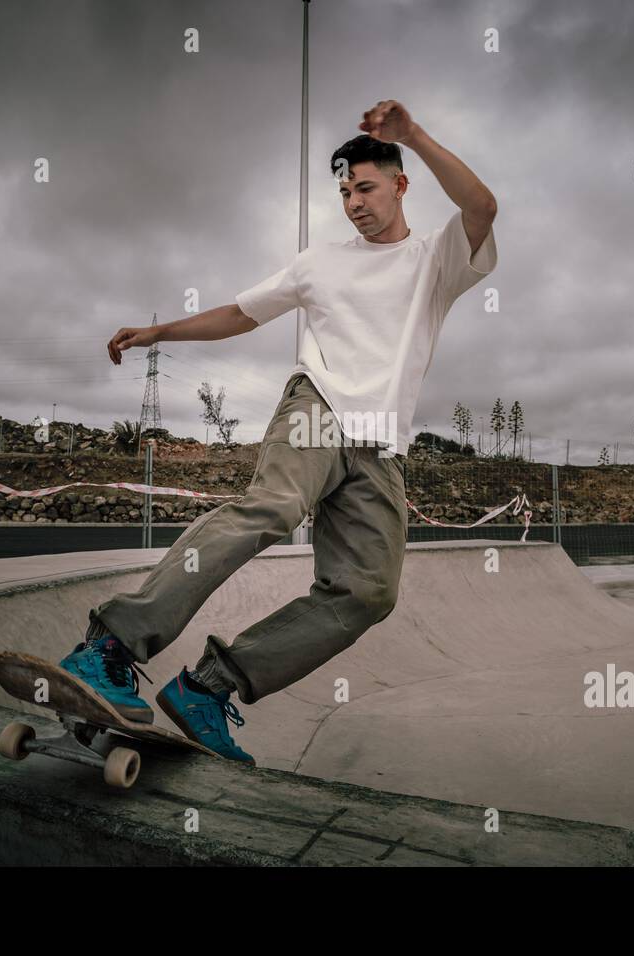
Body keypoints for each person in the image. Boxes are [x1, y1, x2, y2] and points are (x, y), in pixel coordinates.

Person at [61, 100, 498, 764]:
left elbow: (482, 208)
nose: (353, 201)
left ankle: (210, 687)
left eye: (366, 187)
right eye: (346, 191)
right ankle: (112, 644)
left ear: (400, 185)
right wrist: (158, 332)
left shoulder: (436, 259)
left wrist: (412, 135)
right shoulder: (320, 262)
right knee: (273, 506)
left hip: (382, 447)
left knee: (369, 592)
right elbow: (241, 314)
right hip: (318, 408)